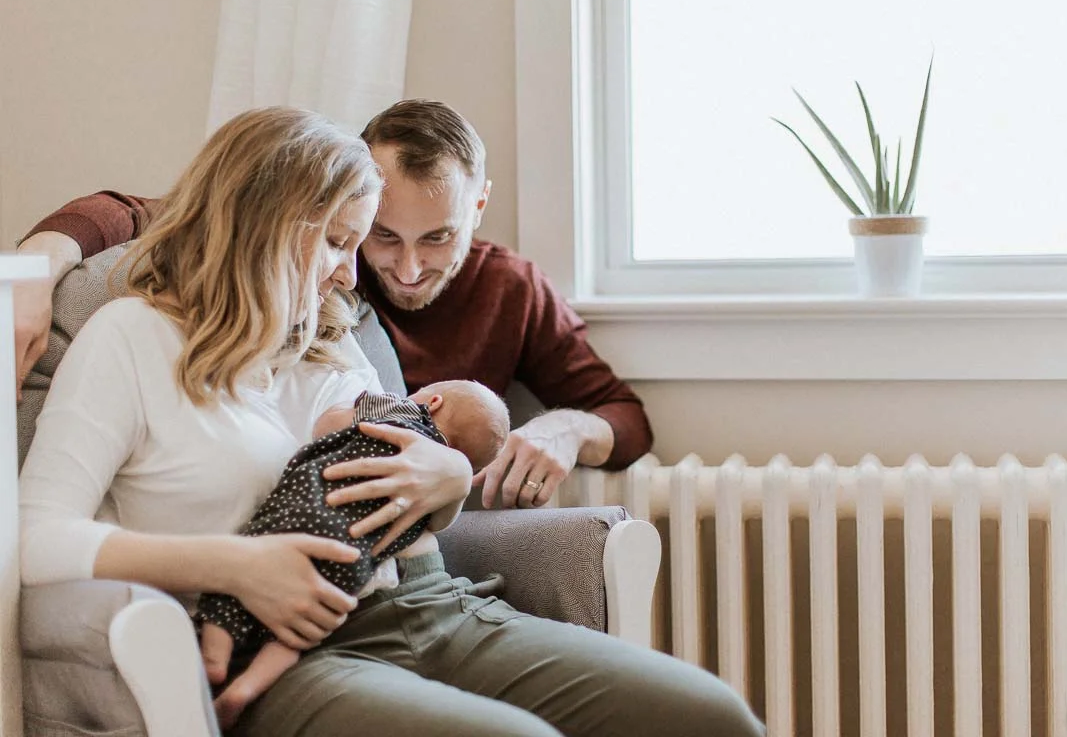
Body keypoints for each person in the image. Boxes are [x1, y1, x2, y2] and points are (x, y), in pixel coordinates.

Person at [18, 106, 765, 737]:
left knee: (712, 717)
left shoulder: (329, 335)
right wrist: (230, 564)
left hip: (427, 604)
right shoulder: (130, 339)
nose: (356, 274)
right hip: (287, 649)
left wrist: (444, 478)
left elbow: (401, 456)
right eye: (343, 242)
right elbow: (34, 537)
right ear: (265, 226)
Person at [14, 99, 652, 511]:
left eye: (438, 238)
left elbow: (624, 415)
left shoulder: (510, 289)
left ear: (477, 207)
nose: (406, 270)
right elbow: (142, 213)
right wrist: (32, 268)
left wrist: (563, 430)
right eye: (382, 236)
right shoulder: (316, 258)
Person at [200, 380, 510, 729]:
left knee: (237, 581)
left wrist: (348, 411)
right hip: (355, 559)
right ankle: (247, 687)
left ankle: (214, 659)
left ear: (433, 401)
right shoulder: (430, 493)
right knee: (299, 631)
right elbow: (440, 523)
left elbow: (328, 425)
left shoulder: (399, 412)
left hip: (310, 513)